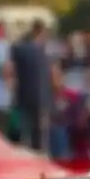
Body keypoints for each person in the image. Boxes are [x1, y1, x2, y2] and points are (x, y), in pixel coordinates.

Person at [10, 19, 55, 151]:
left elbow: (11, 71)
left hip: (22, 97)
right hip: (41, 98)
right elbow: (52, 76)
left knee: (25, 134)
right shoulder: (44, 52)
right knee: (39, 136)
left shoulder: (18, 49)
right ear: (41, 32)